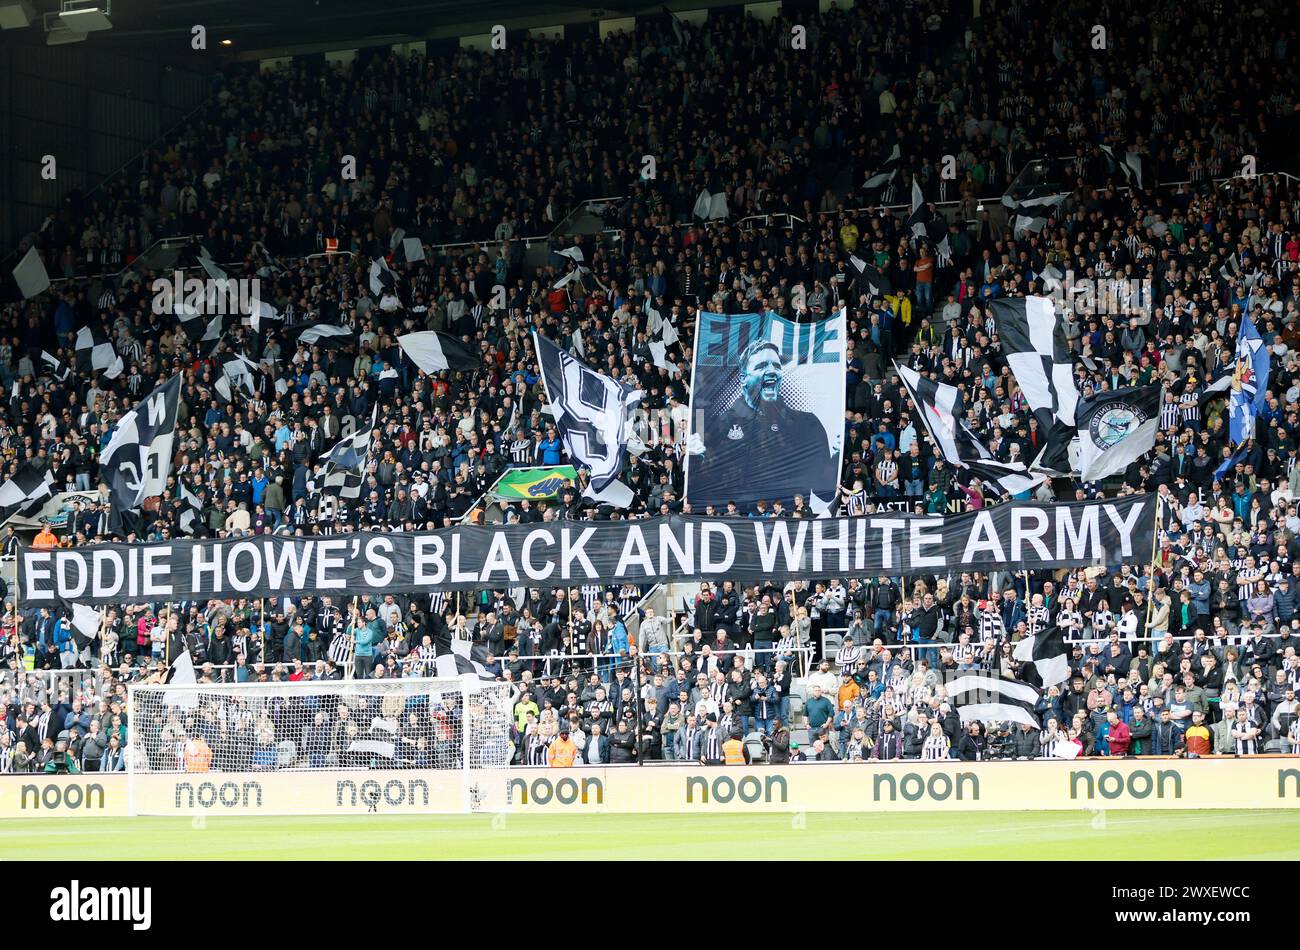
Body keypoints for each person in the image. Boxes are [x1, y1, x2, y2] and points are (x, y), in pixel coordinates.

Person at [693, 339, 837, 506]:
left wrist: (836, 458)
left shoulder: (807, 423)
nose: (771, 371)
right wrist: (696, 458)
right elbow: (701, 487)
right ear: (743, 378)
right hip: (739, 518)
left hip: (787, 518)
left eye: (776, 366)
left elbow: (824, 493)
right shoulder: (718, 424)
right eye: (761, 366)